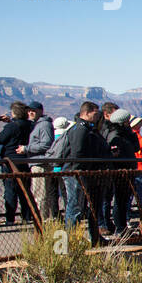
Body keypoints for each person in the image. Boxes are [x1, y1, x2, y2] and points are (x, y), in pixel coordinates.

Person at [54, 102, 110, 245]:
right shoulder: (80, 129)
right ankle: (68, 242)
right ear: (86, 113)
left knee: (91, 207)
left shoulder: (90, 129)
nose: (98, 117)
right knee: (75, 208)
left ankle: (95, 238)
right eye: (95, 114)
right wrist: (79, 172)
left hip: (87, 174)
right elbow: (78, 153)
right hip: (76, 174)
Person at [0, 102, 34, 225]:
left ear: (14, 112)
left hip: (10, 161)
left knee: (10, 190)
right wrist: (10, 122)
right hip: (25, 160)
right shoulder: (30, 125)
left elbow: (0, 140)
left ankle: (10, 219)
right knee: (25, 189)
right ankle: (26, 217)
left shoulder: (12, 127)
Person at [17, 101, 56, 219]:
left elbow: (46, 144)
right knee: (42, 193)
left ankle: (42, 221)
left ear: (40, 111)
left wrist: (26, 148)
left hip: (40, 163)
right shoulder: (38, 124)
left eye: (33, 110)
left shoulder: (44, 125)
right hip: (38, 162)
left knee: (40, 194)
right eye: (29, 110)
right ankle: (46, 220)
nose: (30, 112)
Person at [106, 109, 140, 235]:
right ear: (122, 122)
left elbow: (136, 147)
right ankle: (120, 229)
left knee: (123, 200)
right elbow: (114, 154)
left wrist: (131, 133)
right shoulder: (115, 136)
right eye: (127, 121)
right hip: (120, 172)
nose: (129, 123)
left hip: (127, 170)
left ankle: (122, 228)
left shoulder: (124, 134)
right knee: (120, 200)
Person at [97, 102, 119, 232]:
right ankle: (102, 224)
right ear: (106, 114)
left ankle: (106, 222)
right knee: (102, 199)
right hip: (102, 168)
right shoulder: (103, 128)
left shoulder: (108, 127)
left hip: (108, 167)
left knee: (107, 198)